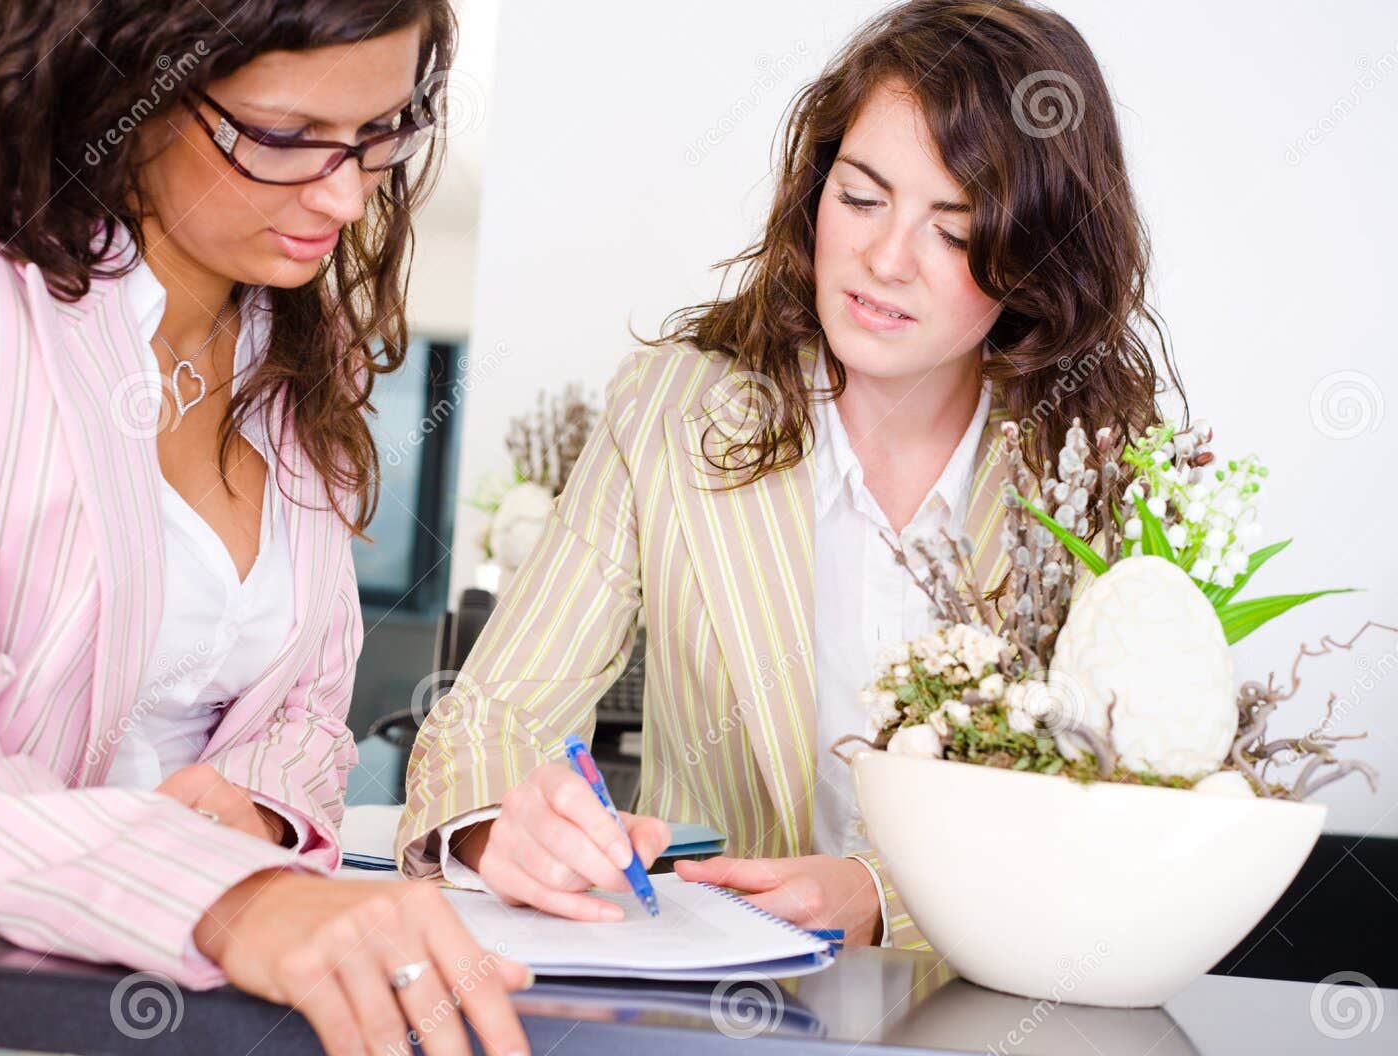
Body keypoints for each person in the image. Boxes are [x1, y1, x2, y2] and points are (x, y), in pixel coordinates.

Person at [0, 0, 528, 1056]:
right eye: (282, 137)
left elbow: (308, 726)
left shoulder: (297, 358)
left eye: (381, 131)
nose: (343, 193)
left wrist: (262, 823)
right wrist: (229, 896)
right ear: (121, 85)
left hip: (178, 1029)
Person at [400, 0, 1178, 950]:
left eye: (954, 226)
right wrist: (497, 827)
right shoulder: (673, 409)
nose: (885, 261)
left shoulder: (1093, 466)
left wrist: (880, 896)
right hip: (718, 1020)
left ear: (1034, 256)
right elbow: (491, 713)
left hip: (995, 1021)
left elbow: (1122, 805)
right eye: (860, 198)